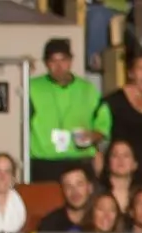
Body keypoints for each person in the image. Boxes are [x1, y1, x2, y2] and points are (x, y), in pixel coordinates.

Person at [29, 38, 111, 184]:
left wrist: (93, 135)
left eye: (63, 60)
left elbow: (103, 122)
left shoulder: (87, 89)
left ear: (71, 61)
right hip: (44, 162)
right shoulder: (32, 88)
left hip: (80, 160)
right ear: (46, 63)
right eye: (53, 61)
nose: (59, 66)